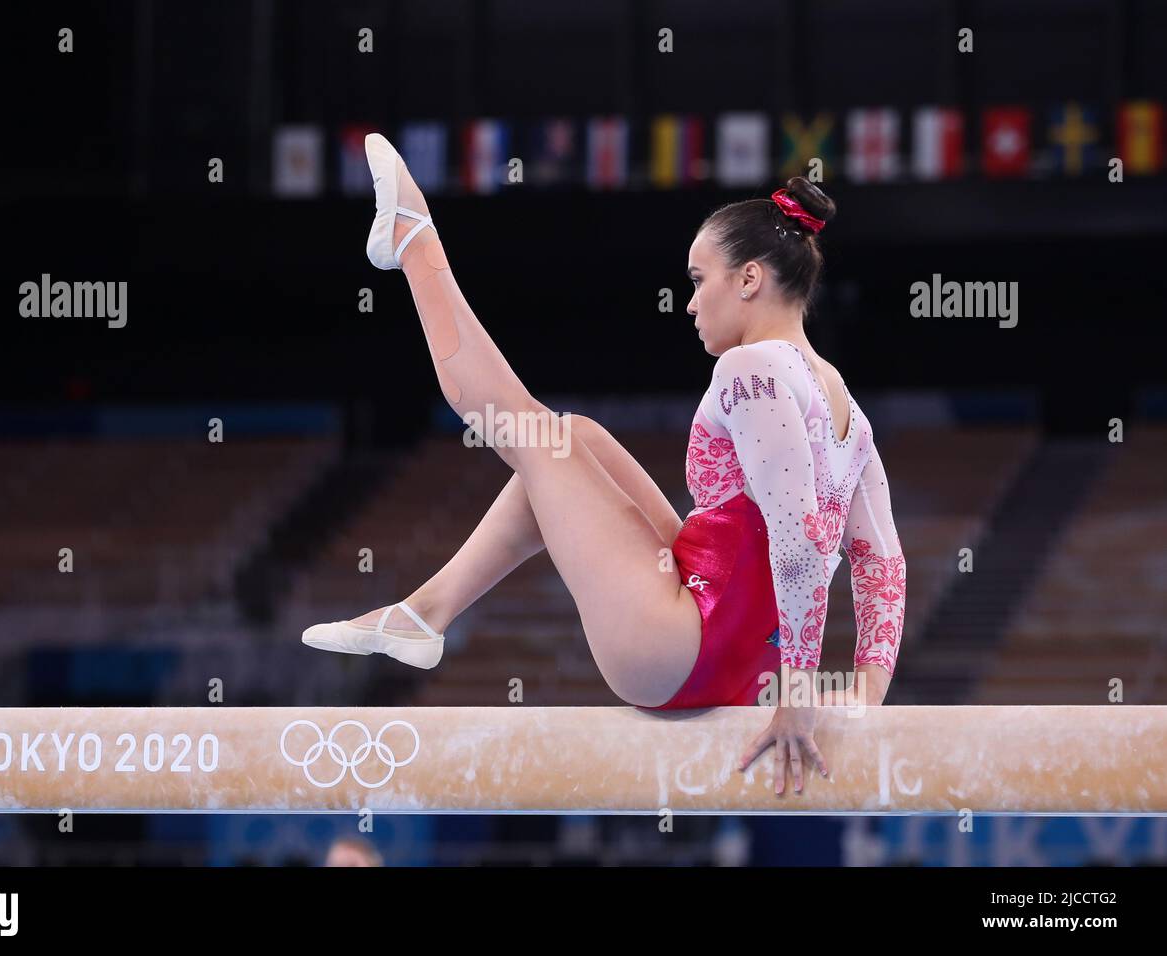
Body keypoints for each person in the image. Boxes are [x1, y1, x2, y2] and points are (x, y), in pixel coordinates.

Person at [304, 134, 906, 795]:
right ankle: (427, 612)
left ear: (751, 279)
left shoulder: (750, 369)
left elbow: (797, 545)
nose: (691, 302)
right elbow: (880, 564)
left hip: (682, 649)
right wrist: (866, 695)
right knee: (573, 439)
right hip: (726, 651)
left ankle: (415, 242)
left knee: (518, 423)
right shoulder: (847, 407)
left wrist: (799, 694)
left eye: (699, 281)